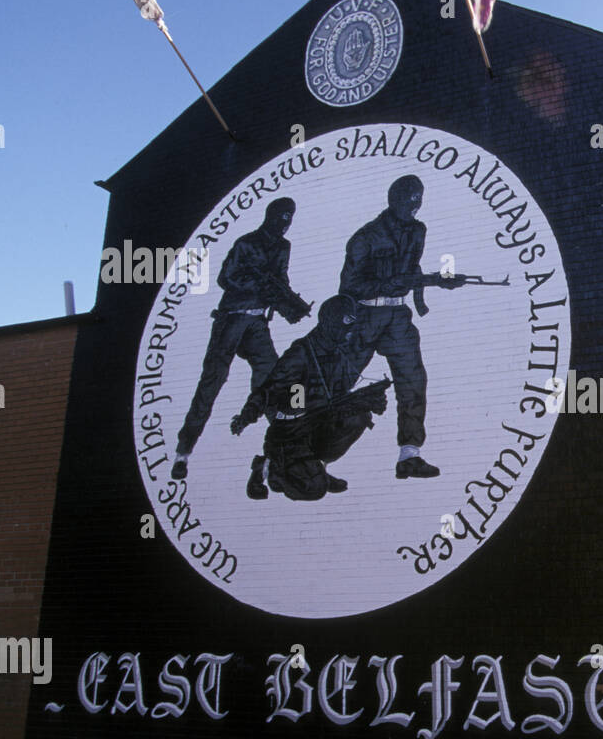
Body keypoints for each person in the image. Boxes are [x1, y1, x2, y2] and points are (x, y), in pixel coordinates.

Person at [337, 175, 469, 480]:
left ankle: (409, 454)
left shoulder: (418, 231)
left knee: (412, 380)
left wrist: (437, 281)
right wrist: (387, 284)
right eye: (409, 199)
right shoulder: (365, 237)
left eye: (418, 199)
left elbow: (412, 272)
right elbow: (349, 287)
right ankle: (299, 447)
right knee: (338, 379)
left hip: (398, 316)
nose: (414, 206)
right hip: (365, 316)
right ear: (393, 199)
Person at [172, 197, 309, 480]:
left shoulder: (284, 247)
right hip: (231, 318)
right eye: (281, 216)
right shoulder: (247, 243)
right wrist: (258, 284)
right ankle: (183, 451)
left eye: (289, 218)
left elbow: (281, 279)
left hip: (257, 322)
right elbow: (226, 278)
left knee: (272, 382)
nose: (285, 223)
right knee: (213, 380)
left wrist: (289, 302)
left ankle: (283, 453)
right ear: (270, 216)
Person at [230, 296, 390, 501]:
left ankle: (315, 466)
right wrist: (246, 416)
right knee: (314, 490)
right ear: (330, 323)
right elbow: (269, 389)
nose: (349, 333)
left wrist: (366, 400)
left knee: (358, 417)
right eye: (345, 326)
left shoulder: (337, 355)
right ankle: (268, 467)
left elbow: (337, 398)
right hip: (290, 434)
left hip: (316, 425)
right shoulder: (300, 354)